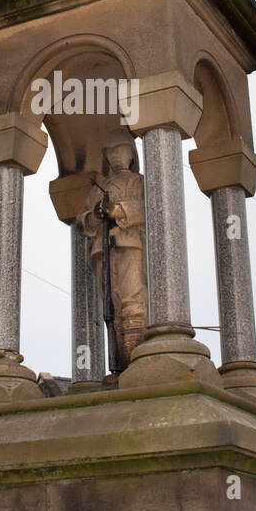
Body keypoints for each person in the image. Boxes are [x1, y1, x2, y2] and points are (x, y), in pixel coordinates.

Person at [78, 128, 147, 370]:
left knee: (132, 303)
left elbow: (149, 209)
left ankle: (137, 364)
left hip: (131, 247)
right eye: (110, 152)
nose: (116, 156)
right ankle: (119, 367)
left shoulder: (140, 183)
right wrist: (95, 215)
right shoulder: (100, 187)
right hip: (104, 253)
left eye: (120, 150)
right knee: (113, 308)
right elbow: (83, 220)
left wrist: (117, 211)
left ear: (131, 153)